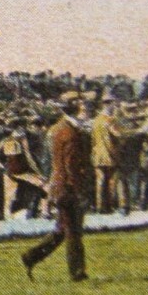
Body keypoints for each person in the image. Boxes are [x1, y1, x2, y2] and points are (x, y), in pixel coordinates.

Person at [20, 93, 93, 281]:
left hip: (61, 186)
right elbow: (70, 166)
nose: (86, 109)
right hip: (68, 188)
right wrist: (78, 190)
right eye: (82, 105)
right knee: (73, 232)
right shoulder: (69, 132)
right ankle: (77, 272)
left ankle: (31, 257)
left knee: (62, 229)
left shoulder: (62, 128)